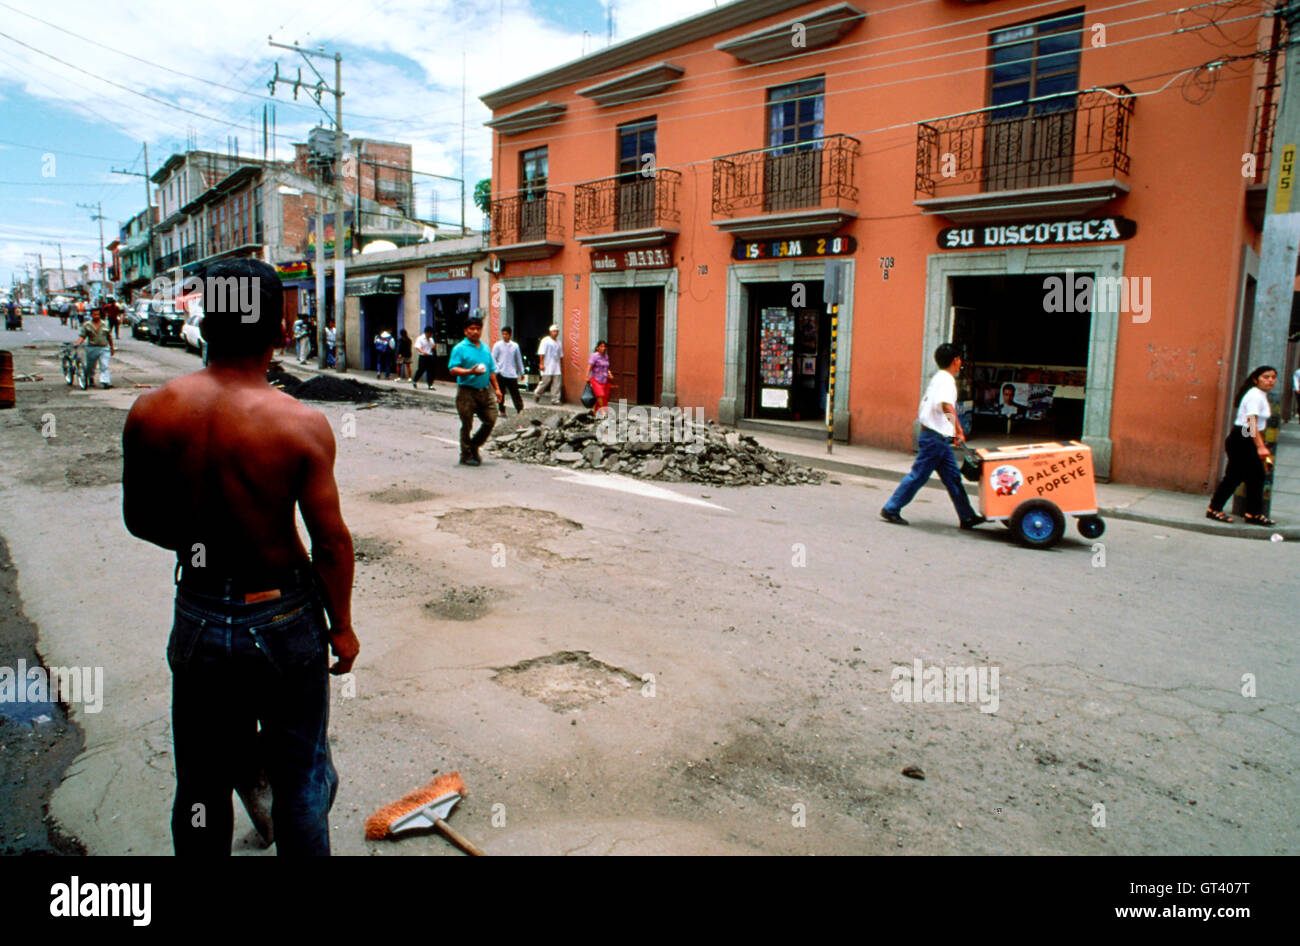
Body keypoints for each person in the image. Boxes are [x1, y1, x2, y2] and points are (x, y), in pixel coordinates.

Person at [121, 258, 358, 856]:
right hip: (281, 617)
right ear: (281, 329)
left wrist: (207, 542)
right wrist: (344, 628)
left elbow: (140, 521)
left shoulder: (151, 410)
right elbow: (329, 542)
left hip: (199, 615)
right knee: (300, 782)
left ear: (206, 323)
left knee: (200, 786)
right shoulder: (300, 424)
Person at [881, 343, 987, 529]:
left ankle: (967, 516)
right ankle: (891, 508)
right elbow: (947, 406)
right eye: (960, 359)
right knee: (918, 476)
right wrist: (958, 430)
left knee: (953, 477)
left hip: (937, 438)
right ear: (955, 360)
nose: (960, 362)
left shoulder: (938, 378)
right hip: (934, 439)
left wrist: (950, 432)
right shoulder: (947, 380)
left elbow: (934, 407)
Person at [1207, 365, 1278, 526]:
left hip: (1245, 437)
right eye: (1266, 377)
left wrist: (1257, 443)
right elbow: (1251, 422)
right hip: (1242, 438)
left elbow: (1254, 427)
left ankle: (1253, 513)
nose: (1270, 380)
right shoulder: (1254, 395)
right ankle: (1214, 509)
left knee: (1256, 477)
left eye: (1273, 377)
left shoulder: (1260, 395)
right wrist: (1260, 446)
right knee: (1234, 476)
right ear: (1256, 379)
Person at [448, 315, 501, 466]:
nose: (475, 332)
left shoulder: (485, 348)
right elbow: (452, 369)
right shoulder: (459, 348)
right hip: (467, 392)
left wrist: (497, 389)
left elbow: (491, 371)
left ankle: (474, 445)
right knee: (467, 424)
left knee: (491, 419)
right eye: (472, 329)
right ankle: (466, 455)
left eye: (478, 329)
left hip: (485, 391)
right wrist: (469, 372)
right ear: (465, 331)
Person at [73, 306, 116, 388]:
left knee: (104, 365)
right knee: (90, 366)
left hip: (104, 348)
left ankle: (105, 382)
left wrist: (112, 348)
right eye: (94, 314)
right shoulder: (87, 325)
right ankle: (90, 378)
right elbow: (83, 336)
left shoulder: (105, 324)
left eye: (98, 314)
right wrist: (77, 343)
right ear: (91, 315)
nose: (96, 316)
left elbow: (109, 337)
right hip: (92, 348)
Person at [492, 326, 525, 415]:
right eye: (503, 334)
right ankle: (501, 409)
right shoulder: (497, 345)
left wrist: (521, 372)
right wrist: (496, 369)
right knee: (501, 393)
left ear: (510, 335)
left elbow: (518, 360)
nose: (504, 336)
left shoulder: (515, 346)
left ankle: (519, 409)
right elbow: (493, 358)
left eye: (506, 334)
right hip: (501, 372)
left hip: (511, 373)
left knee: (515, 393)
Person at [535, 324, 563, 404]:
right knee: (545, 382)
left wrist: (562, 366)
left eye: (557, 331)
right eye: (554, 331)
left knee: (557, 383)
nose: (555, 333)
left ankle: (555, 399)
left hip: (556, 366)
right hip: (547, 365)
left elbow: (561, 355)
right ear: (550, 332)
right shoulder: (545, 341)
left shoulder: (559, 343)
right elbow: (541, 353)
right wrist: (541, 364)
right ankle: (537, 393)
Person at [587, 340, 614, 414]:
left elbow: (606, 367)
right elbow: (590, 366)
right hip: (596, 379)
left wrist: (609, 374)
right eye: (601, 346)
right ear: (597, 348)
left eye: (605, 346)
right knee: (600, 395)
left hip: (604, 380)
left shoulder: (606, 356)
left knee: (604, 397)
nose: (603, 348)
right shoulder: (594, 356)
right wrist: (586, 376)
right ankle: (603, 412)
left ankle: (594, 410)